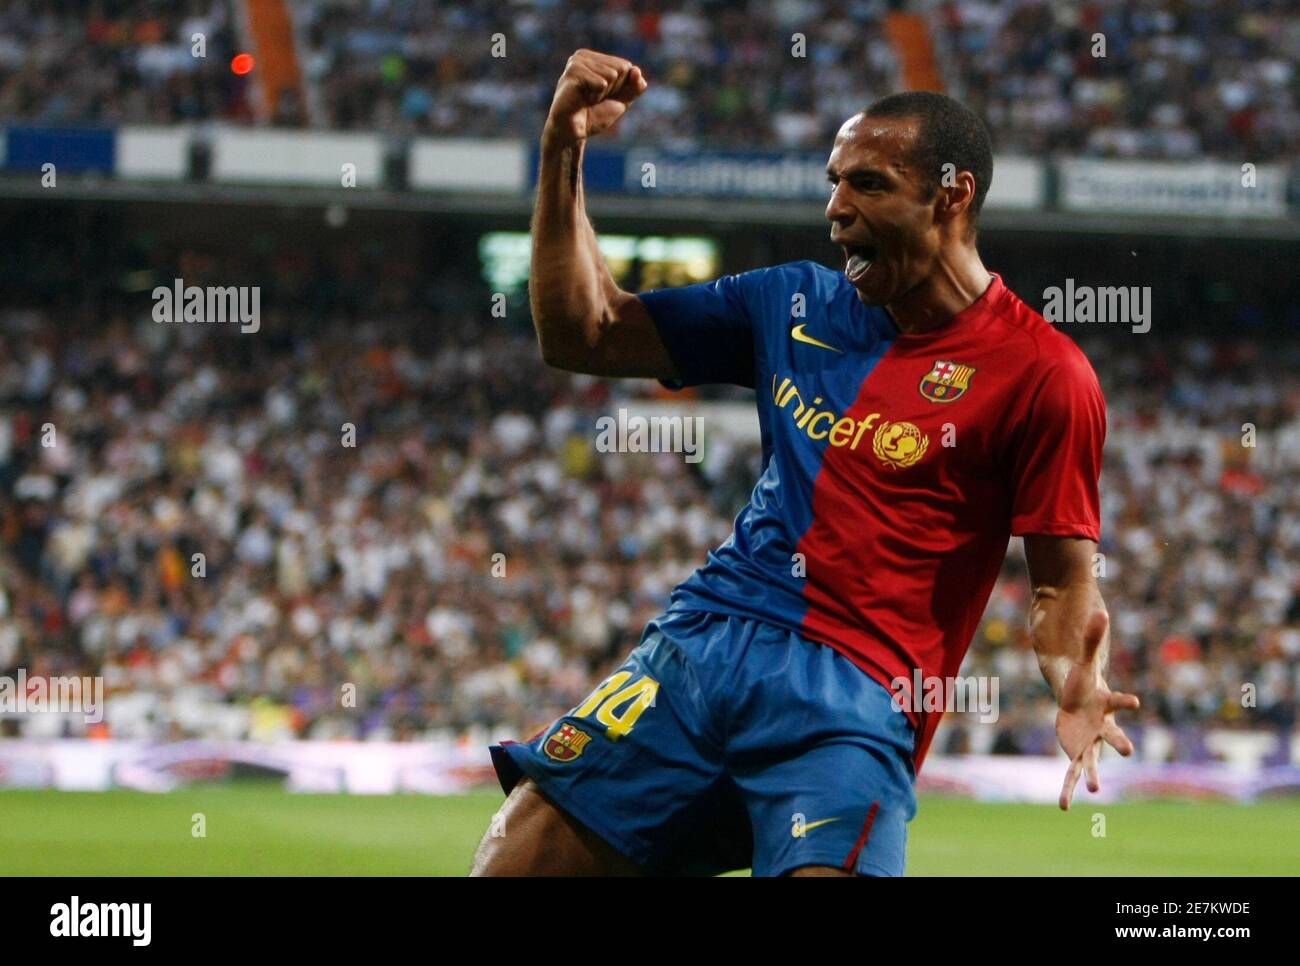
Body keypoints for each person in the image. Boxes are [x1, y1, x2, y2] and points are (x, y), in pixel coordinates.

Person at [471, 49, 1139, 876]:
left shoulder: (1044, 374)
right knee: (513, 858)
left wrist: (1077, 677)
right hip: (698, 647)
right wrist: (563, 148)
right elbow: (586, 332)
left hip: (850, 698)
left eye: (868, 184)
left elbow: (1061, 581)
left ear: (953, 194)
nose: (835, 210)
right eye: (833, 182)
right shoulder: (791, 302)